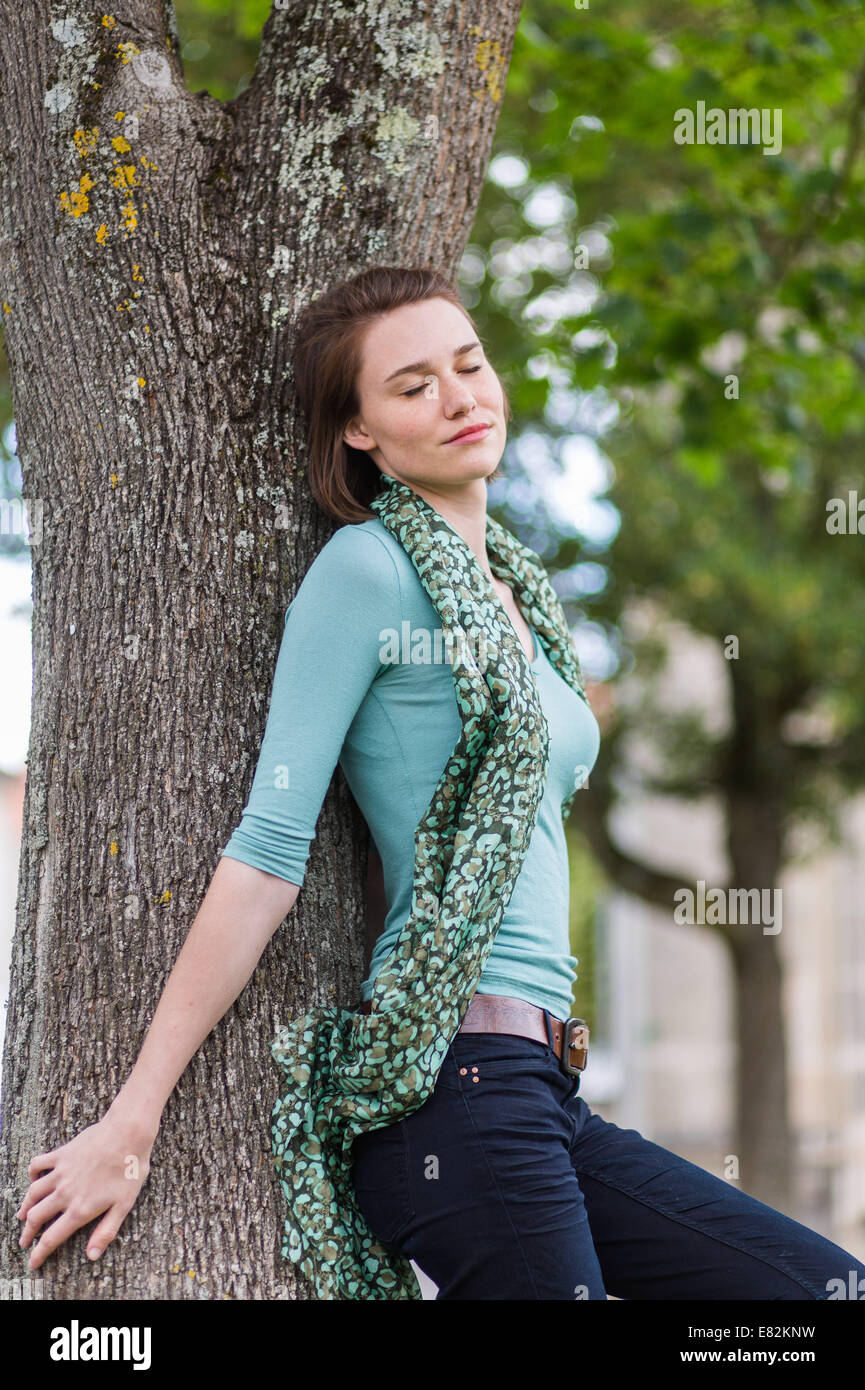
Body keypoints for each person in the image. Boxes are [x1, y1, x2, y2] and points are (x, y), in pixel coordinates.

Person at [16, 266, 865, 1301]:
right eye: (413, 385)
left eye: (469, 365)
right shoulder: (365, 573)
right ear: (360, 431)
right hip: (452, 1092)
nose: (461, 397)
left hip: (545, 1088)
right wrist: (132, 1117)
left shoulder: (524, 598)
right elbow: (269, 849)